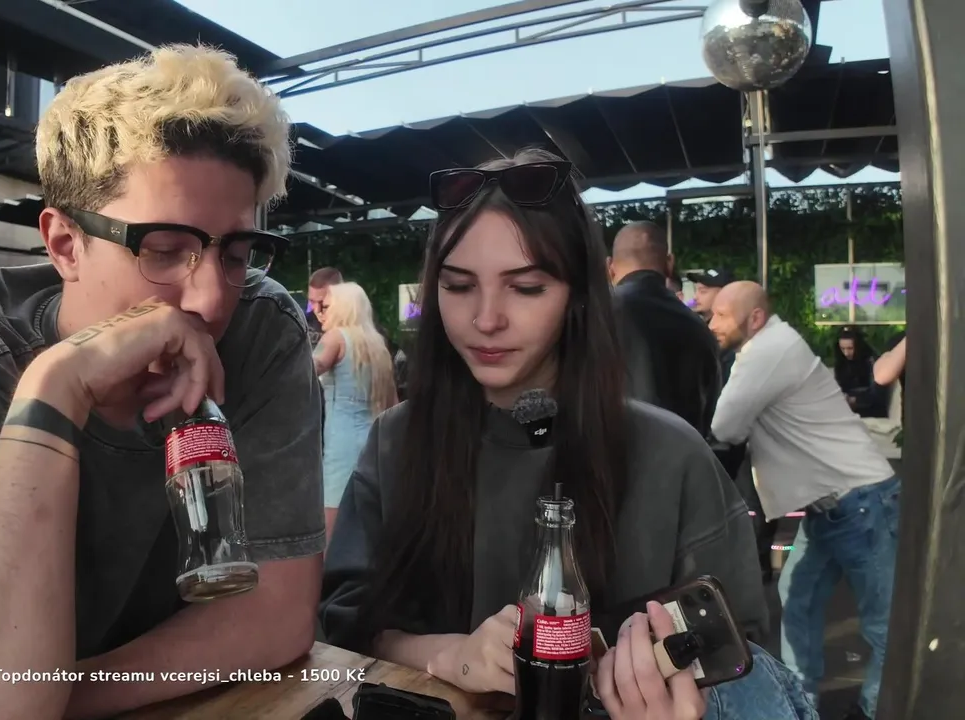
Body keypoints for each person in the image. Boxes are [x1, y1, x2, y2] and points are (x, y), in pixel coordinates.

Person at [0, 45, 323, 720]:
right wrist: (55, 389)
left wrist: (47, 695)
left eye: (236, 252)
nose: (210, 300)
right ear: (64, 244)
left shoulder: (260, 327)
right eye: (164, 249)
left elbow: (278, 614)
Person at [319, 151, 805, 719]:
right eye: (458, 285)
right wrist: (451, 655)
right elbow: (346, 624)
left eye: (526, 288)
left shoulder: (671, 457)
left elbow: (742, 662)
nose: (487, 318)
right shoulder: (396, 441)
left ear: (578, 293)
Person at [708, 282, 899, 720]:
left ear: (755, 318)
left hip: (862, 503)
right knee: (797, 603)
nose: (711, 322)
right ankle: (802, 705)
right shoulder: (767, 347)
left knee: (882, 626)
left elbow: (726, 425)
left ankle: (871, 711)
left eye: (721, 314)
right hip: (831, 509)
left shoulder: (769, 349)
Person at [608, 221, 722, 436]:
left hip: (611, 450)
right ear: (669, 263)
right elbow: (709, 409)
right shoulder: (699, 328)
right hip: (682, 451)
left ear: (609, 268)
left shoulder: (595, 316)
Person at [313, 282, 398, 541]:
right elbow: (394, 403)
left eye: (327, 306)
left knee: (332, 527)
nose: (321, 312)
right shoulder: (377, 345)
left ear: (343, 308)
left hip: (342, 444)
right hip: (374, 440)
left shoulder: (335, 338)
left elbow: (310, 368)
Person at [832, 327, 887, 418]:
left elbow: (877, 393)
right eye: (842, 349)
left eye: (850, 348)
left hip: (870, 408)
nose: (846, 353)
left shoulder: (871, 362)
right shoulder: (841, 363)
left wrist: (855, 400)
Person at [306, 266, 343, 347]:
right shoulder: (303, 325)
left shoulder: (359, 329)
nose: (317, 310)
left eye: (323, 304)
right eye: (312, 301)